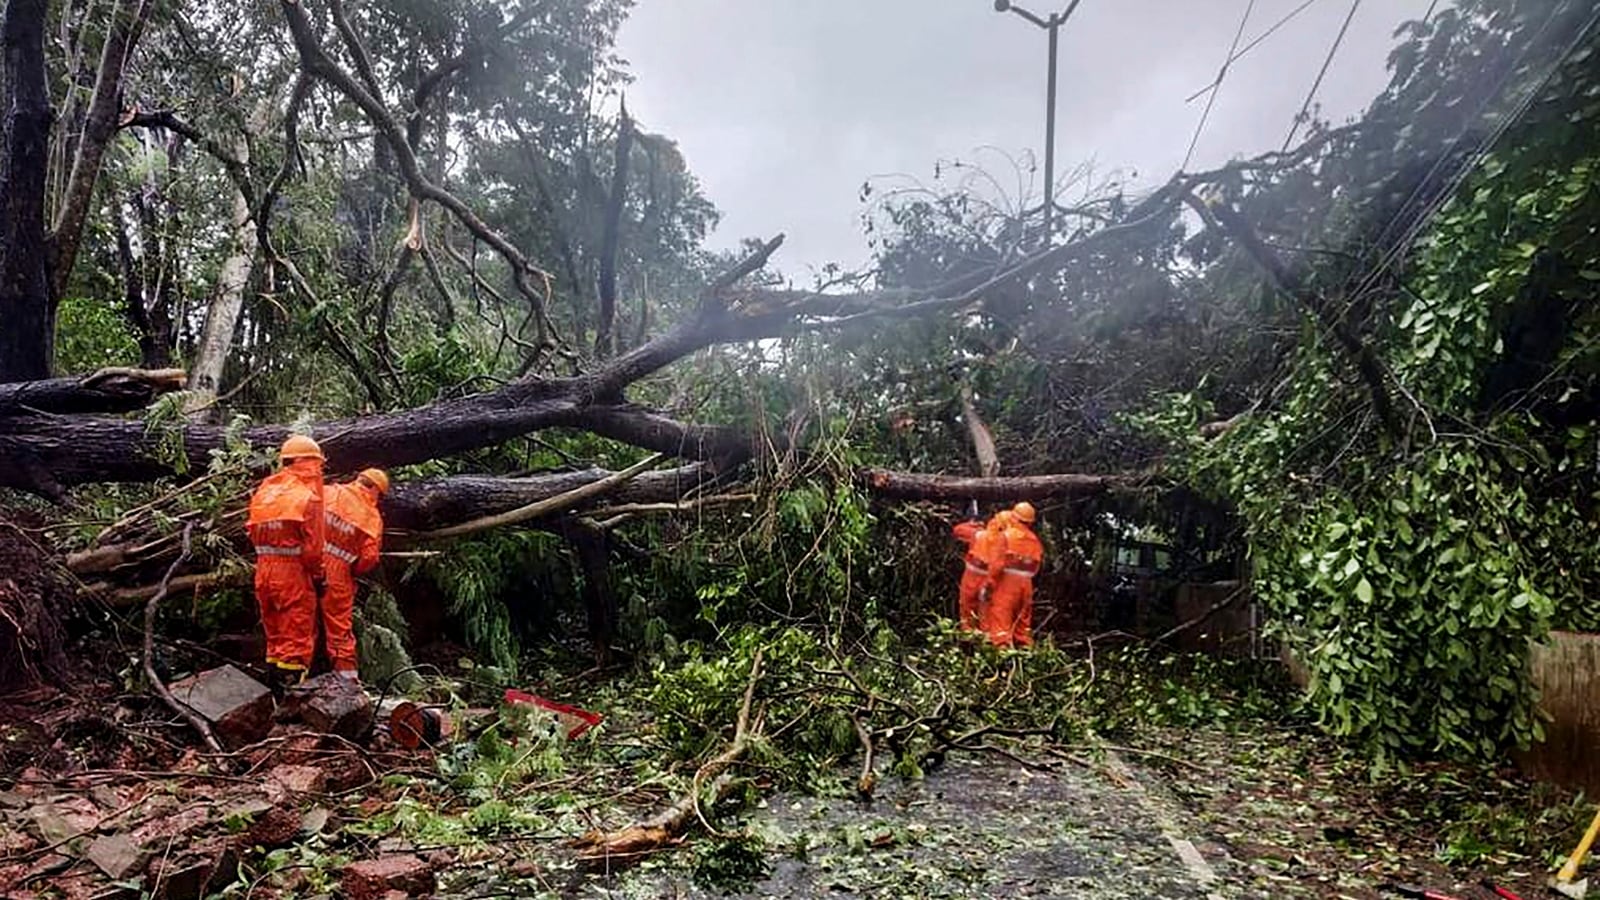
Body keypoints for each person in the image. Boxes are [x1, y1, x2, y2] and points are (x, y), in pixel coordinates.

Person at [247, 435, 326, 687]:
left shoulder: (265, 491)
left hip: (263, 570)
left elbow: (251, 531)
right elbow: (313, 550)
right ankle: (291, 700)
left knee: (275, 635)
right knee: (296, 637)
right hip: (292, 574)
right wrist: (319, 576)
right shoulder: (308, 497)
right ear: (312, 463)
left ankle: (271, 696)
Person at [321, 468, 388, 682]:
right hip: (338, 573)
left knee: (299, 622)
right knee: (339, 629)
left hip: (306, 563)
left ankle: (293, 682)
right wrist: (352, 570)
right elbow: (370, 557)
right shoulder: (371, 517)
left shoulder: (329, 492)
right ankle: (347, 683)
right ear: (376, 490)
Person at [985, 501, 1044, 647]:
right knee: (1022, 626)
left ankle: (1003, 659)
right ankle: (1025, 656)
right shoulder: (1035, 540)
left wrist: (989, 583)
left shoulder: (1005, 536)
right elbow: (1036, 566)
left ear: (1014, 517)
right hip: (1026, 584)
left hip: (1007, 583)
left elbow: (997, 564)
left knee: (1000, 620)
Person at [952, 510, 1010, 632]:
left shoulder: (978, 534)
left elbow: (958, 530)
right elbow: (1000, 566)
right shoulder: (1006, 543)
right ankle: (985, 643)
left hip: (971, 578)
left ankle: (969, 640)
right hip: (989, 581)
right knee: (986, 613)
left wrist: (974, 524)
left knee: (967, 611)